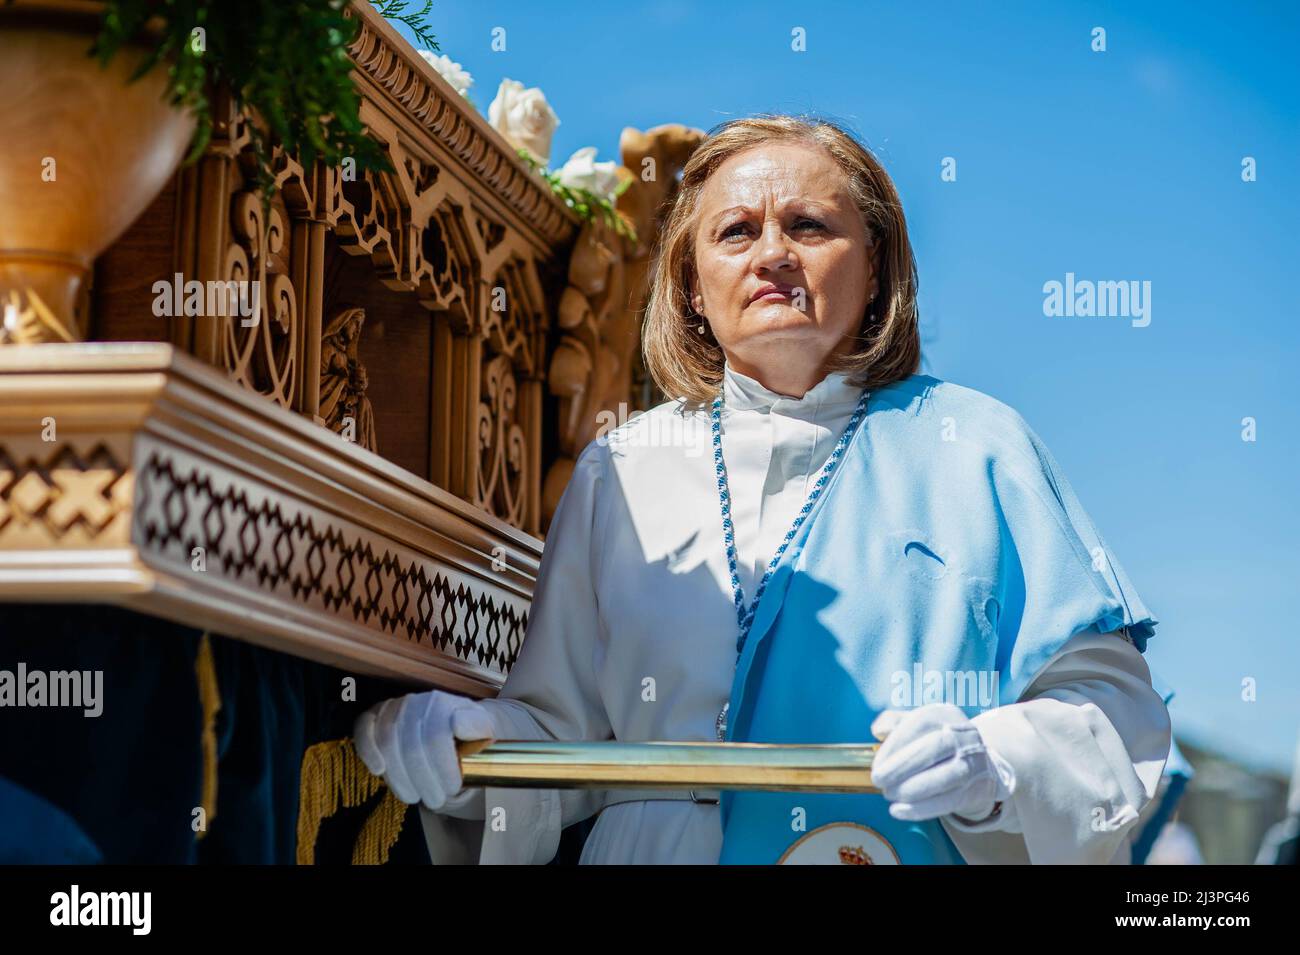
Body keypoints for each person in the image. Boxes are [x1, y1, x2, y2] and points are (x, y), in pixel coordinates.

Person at [354, 114, 1172, 865]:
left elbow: (1111, 713)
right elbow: (566, 743)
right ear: (691, 286)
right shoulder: (622, 470)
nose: (772, 253)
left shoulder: (980, 446)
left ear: (878, 265)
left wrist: (997, 762)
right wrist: (470, 752)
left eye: (809, 226)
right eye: (736, 231)